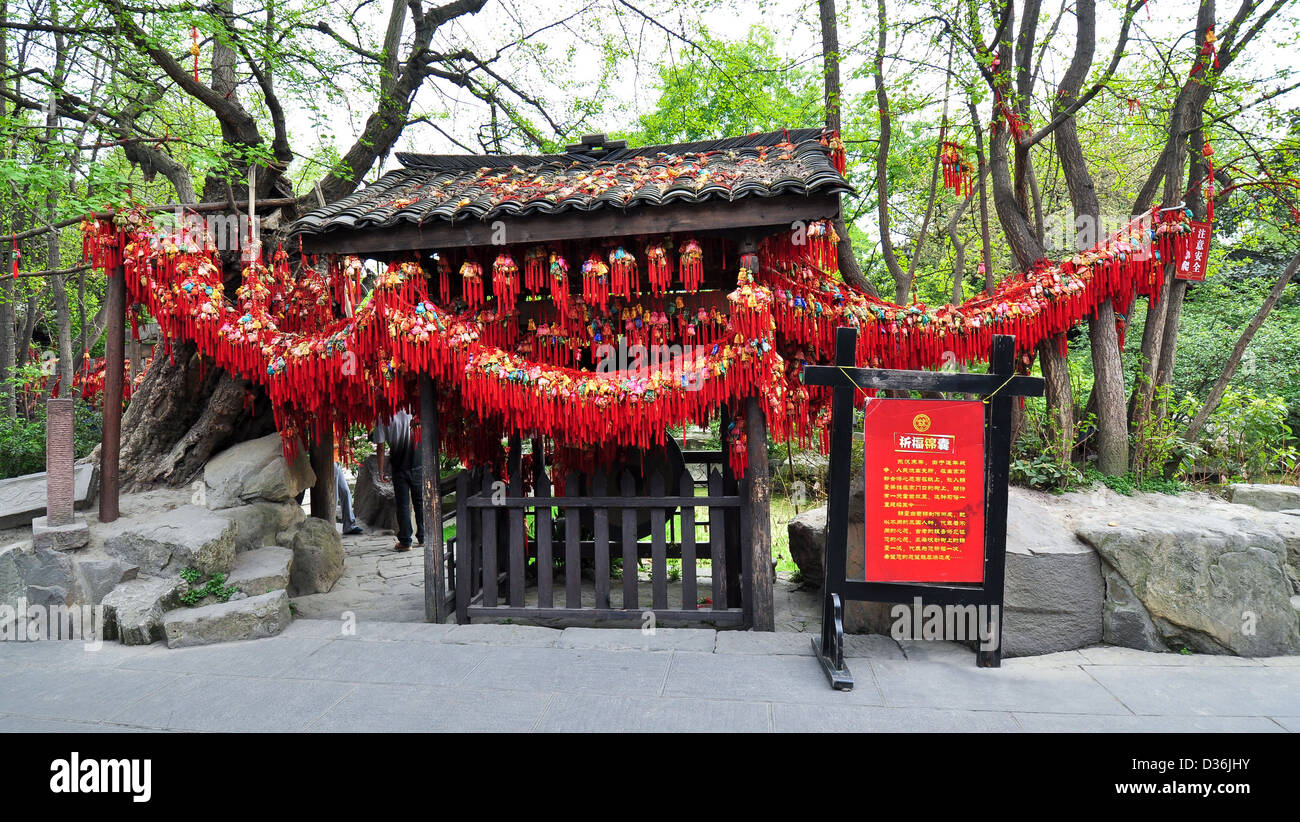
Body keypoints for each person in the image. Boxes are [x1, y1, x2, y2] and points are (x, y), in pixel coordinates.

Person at [372, 409, 424, 552]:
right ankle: (424, 538)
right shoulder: (412, 408)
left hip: (399, 465)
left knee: (403, 505)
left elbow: (381, 447)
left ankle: (406, 542)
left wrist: (381, 471)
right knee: (420, 501)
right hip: (418, 461)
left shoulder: (382, 415)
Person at [336, 462, 363, 535]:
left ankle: (349, 526)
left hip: (336, 462)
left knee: (345, 492)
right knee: (334, 495)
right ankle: (329, 524)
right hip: (329, 462)